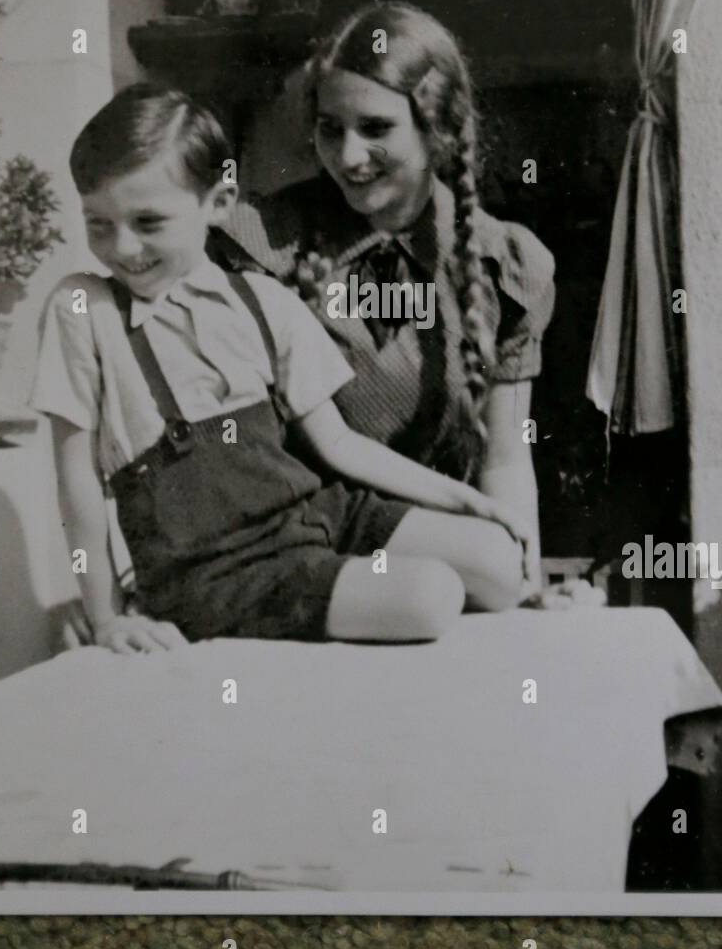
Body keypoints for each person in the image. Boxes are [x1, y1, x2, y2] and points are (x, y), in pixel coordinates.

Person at [29, 84, 534, 654]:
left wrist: (469, 501)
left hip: (316, 515)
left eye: (148, 222)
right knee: (429, 596)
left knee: (498, 563)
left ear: (218, 205)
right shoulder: (85, 310)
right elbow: (78, 487)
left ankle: (343, 584)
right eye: (99, 224)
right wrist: (105, 616)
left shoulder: (261, 300)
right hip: (217, 569)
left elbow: (340, 445)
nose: (123, 248)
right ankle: (335, 593)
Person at [210, 1, 556, 592]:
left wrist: (527, 586)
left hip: (442, 555)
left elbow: (505, 458)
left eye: (375, 129)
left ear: (438, 127)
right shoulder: (260, 243)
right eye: (329, 128)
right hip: (295, 553)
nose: (347, 156)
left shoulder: (507, 267)